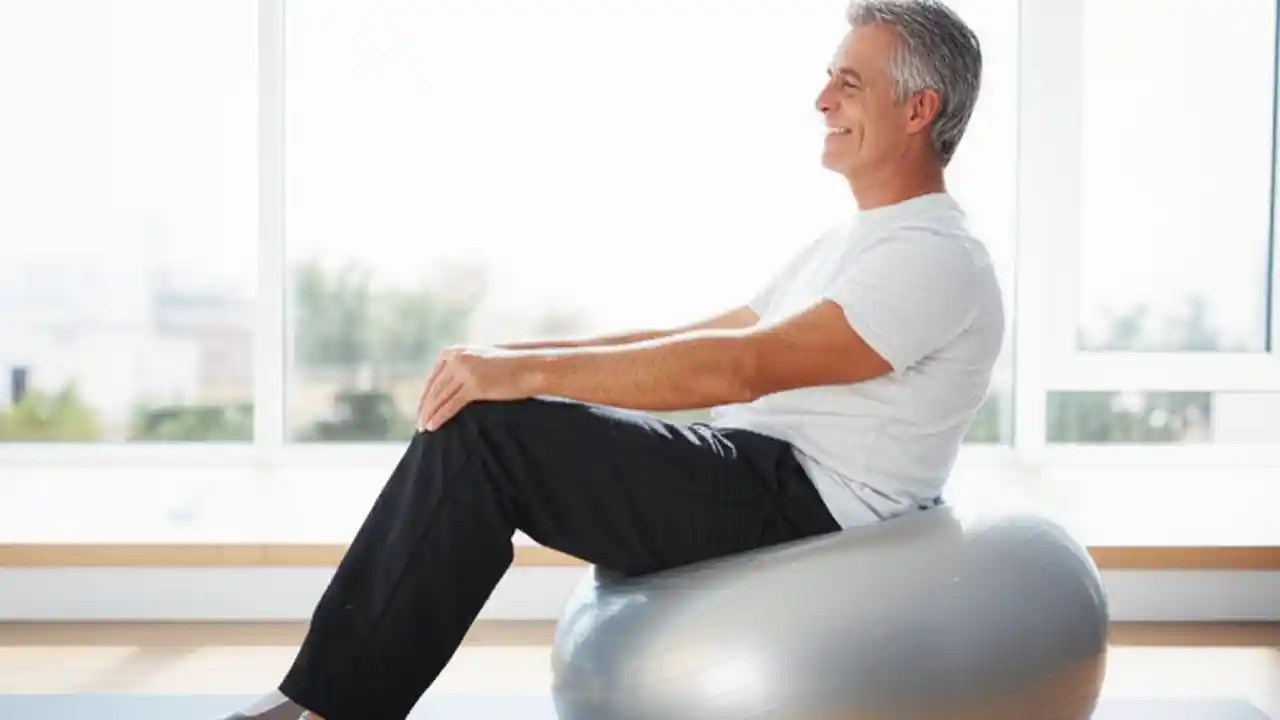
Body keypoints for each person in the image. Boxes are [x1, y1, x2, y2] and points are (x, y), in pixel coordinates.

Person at [221, 1, 1002, 718]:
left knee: (487, 438)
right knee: (483, 414)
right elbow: (693, 339)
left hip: (801, 501)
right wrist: (507, 359)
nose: (822, 101)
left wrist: (522, 380)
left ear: (917, 109)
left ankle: (326, 710)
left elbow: (740, 368)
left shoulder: (934, 256)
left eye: (848, 83)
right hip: (752, 472)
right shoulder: (850, 244)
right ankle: (320, 698)